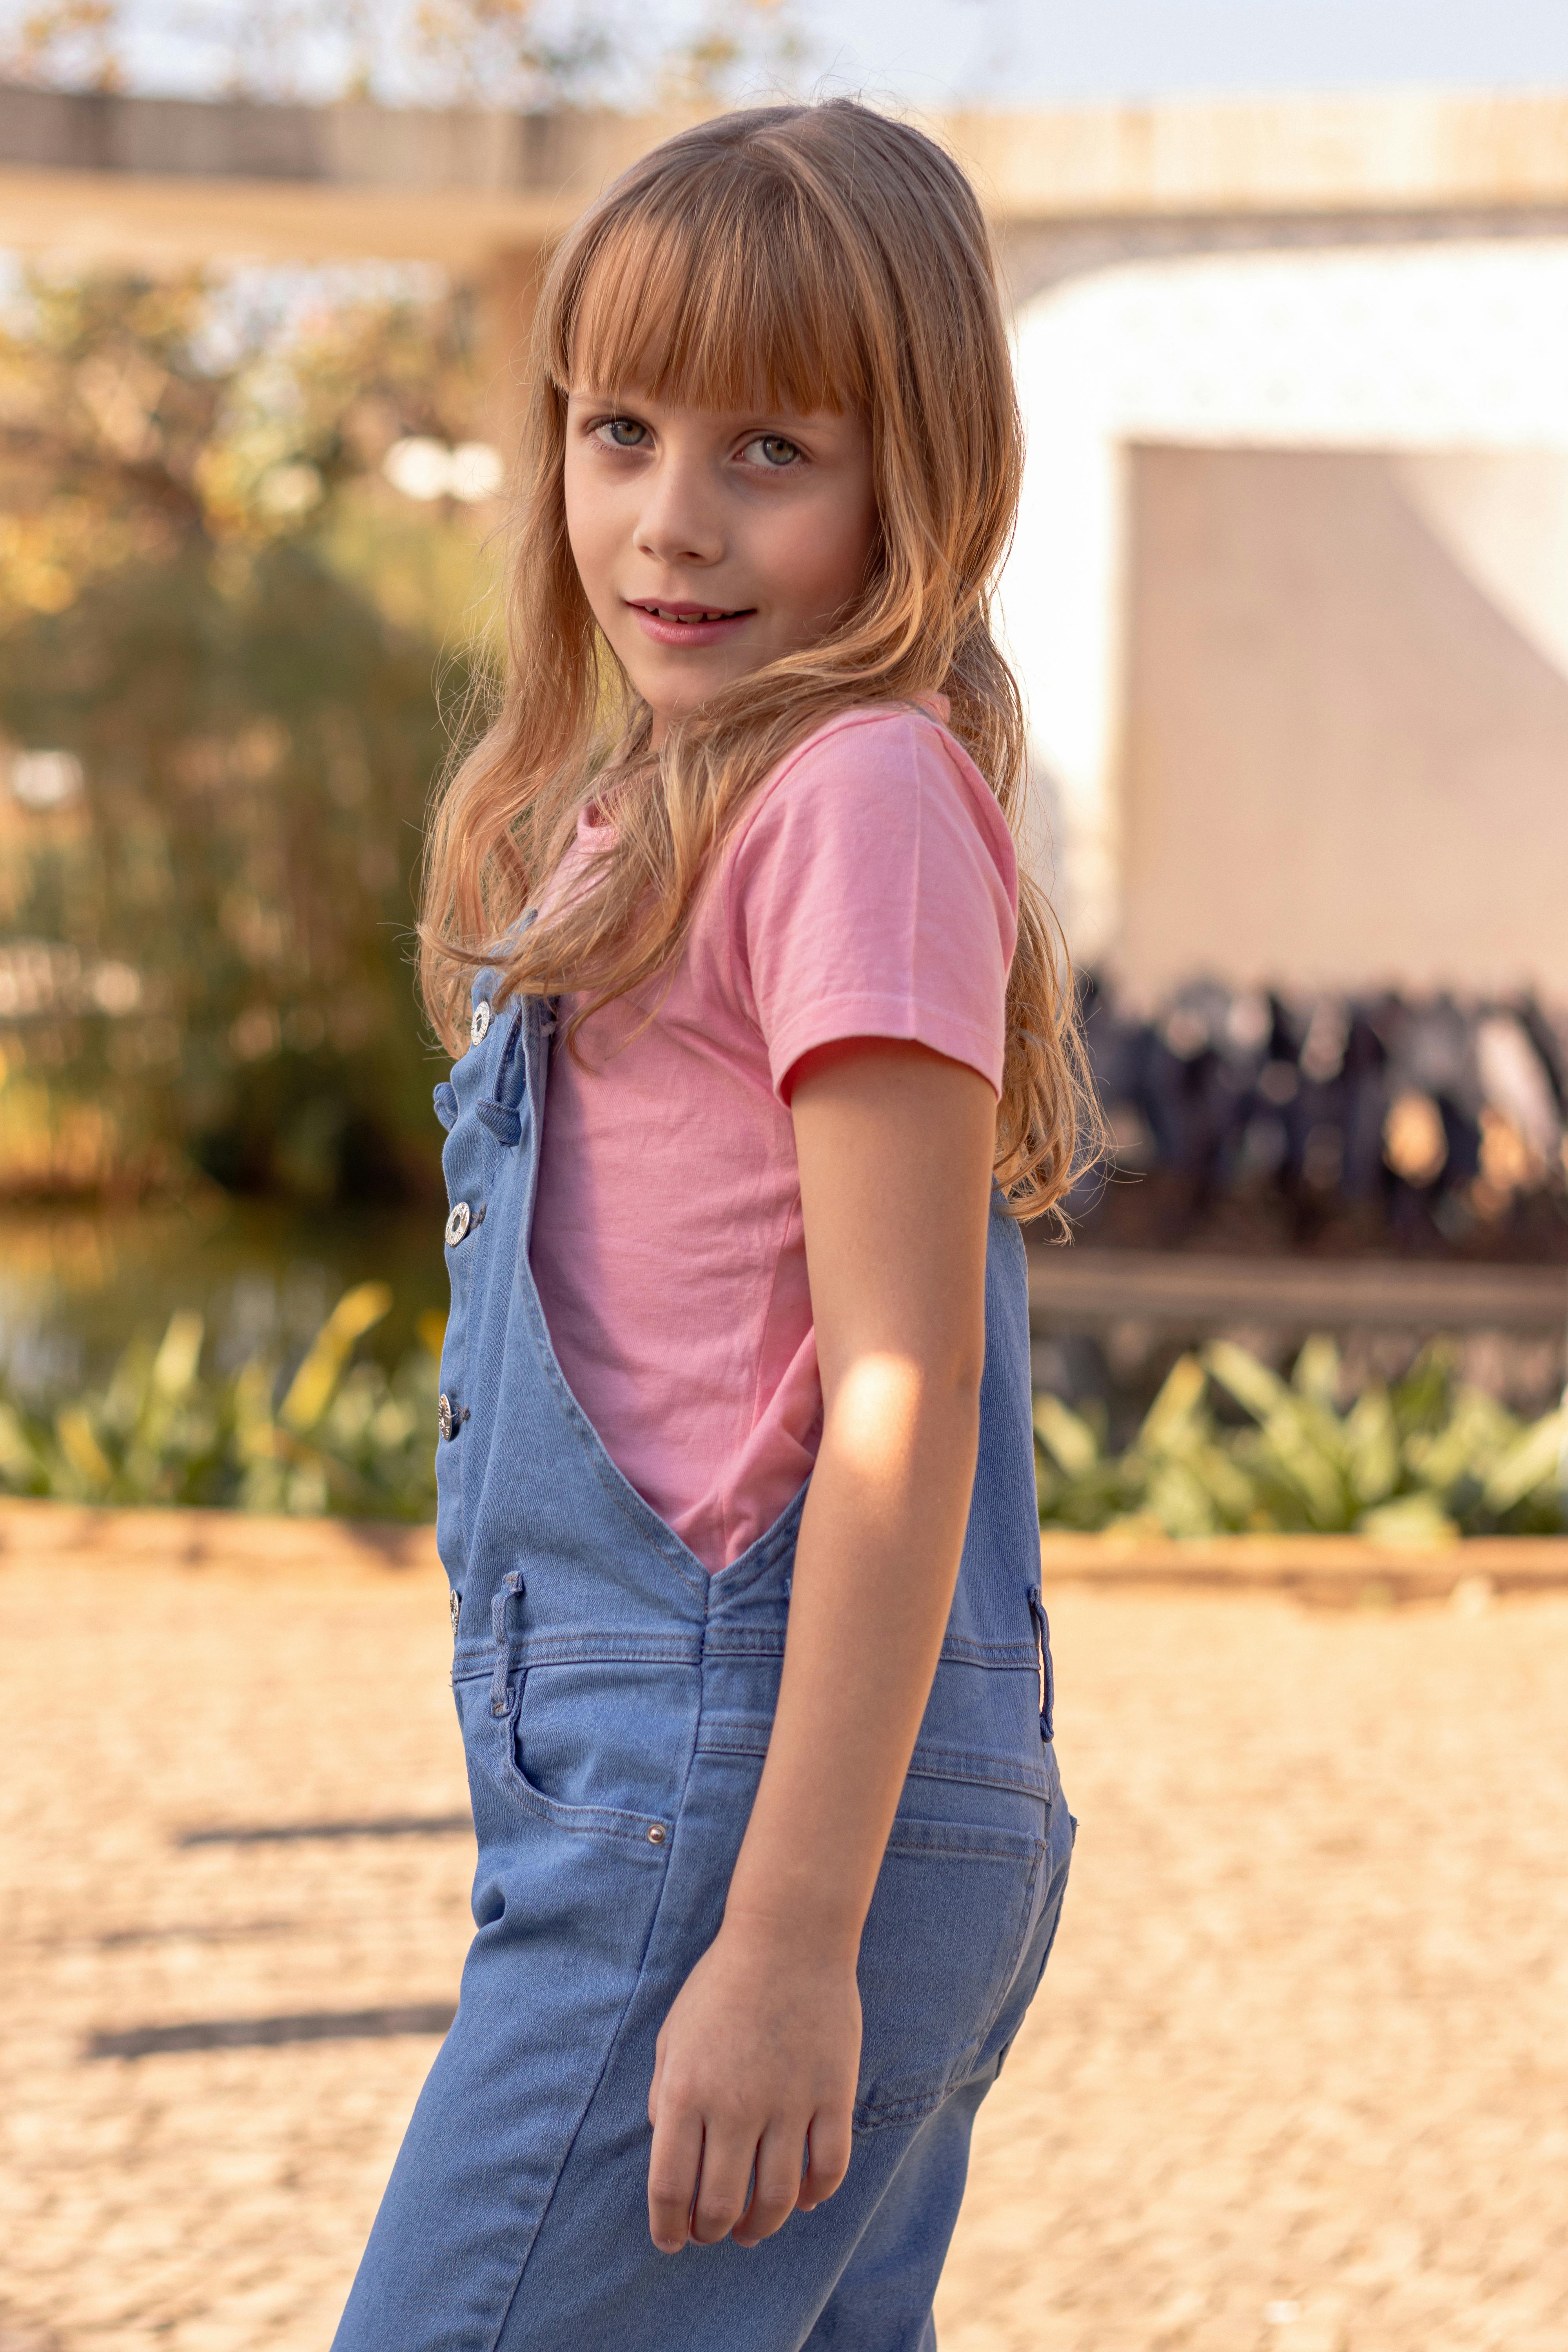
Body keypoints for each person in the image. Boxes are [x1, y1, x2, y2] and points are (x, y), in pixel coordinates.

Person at [332, 98, 1089, 2352]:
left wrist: (781, 1941)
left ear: (916, 480)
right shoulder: (664, 807)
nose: (668, 519)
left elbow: (900, 1378)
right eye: (620, 427)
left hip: (735, 1805)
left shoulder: (850, 792)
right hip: (721, 1797)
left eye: (772, 449)